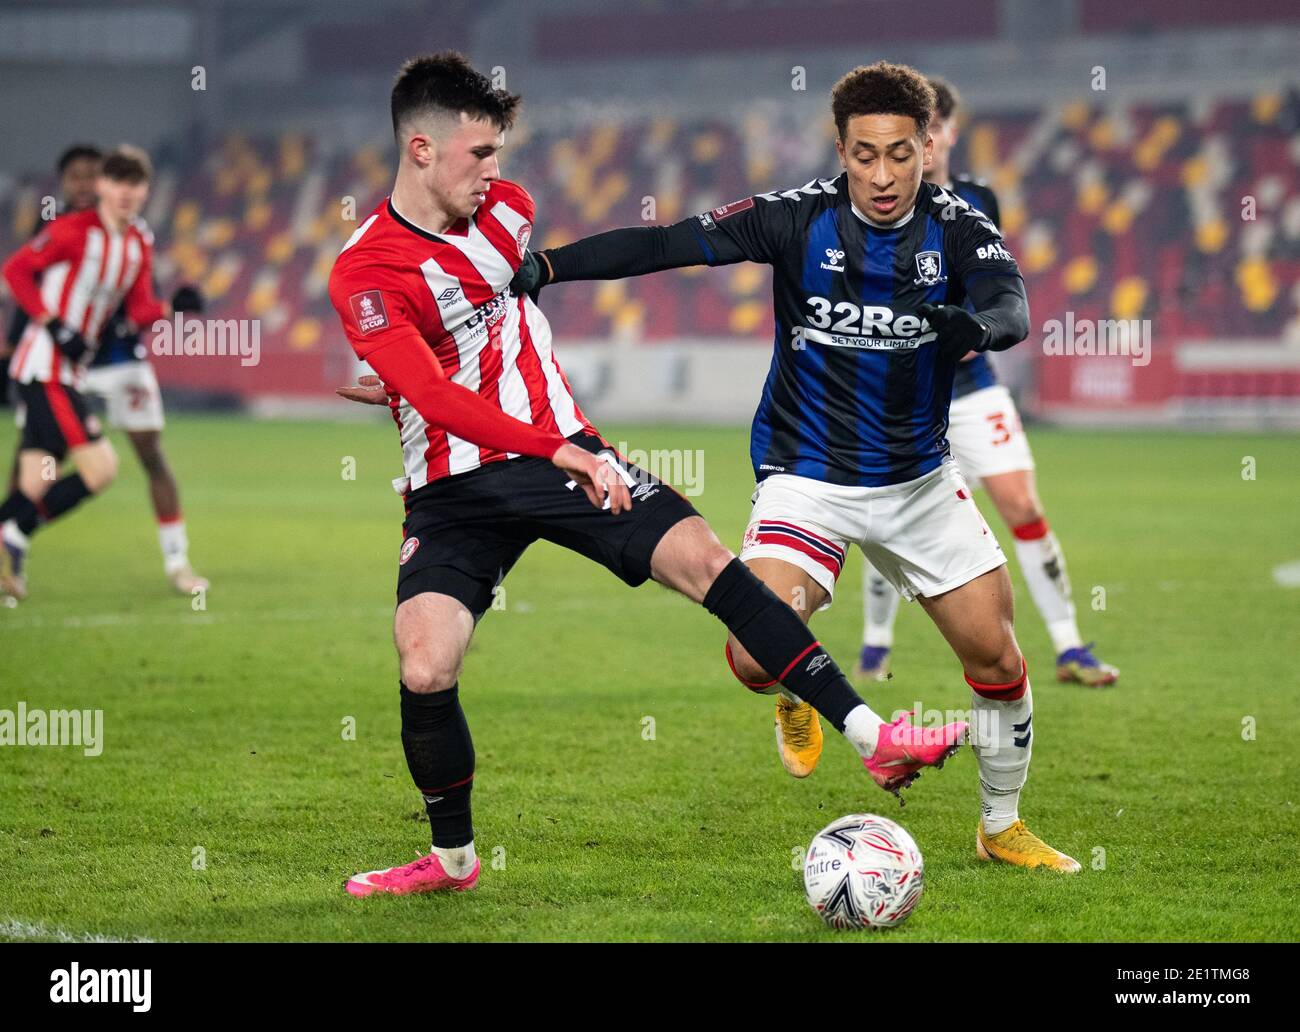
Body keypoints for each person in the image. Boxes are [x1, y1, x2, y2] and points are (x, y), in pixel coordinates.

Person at [328, 52, 967, 898]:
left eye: (499, 154)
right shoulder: (366, 270)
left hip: (565, 450)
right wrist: (415, 388)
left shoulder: (508, 214)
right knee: (425, 665)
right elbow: (437, 390)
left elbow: (491, 322)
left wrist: (544, 438)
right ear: (420, 149)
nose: (497, 173)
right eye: (479, 155)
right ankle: (452, 865)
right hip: (458, 486)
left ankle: (871, 734)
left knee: (709, 565)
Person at [514, 62, 1080, 872]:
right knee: (751, 654)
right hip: (807, 477)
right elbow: (666, 244)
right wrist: (549, 268)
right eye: (863, 155)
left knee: (996, 659)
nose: (882, 175)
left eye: (899, 153)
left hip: (918, 483)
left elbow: (1011, 305)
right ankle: (791, 687)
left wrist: (976, 327)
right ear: (840, 151)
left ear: (927, 147)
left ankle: (1000, 827)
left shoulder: (959, 226)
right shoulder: (794, 219)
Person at [854, 77, 1117, 688]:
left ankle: (1070, 646)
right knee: (886, 515)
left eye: (938, 128)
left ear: (947, 134)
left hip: (971, 386)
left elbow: (985, 280)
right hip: (901, 389)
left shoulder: (975, 201)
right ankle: (874, 646)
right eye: (920, 130)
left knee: (1022, 504)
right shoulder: (871, 202)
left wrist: (969, 326)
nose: (932, 139)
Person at [0, 146, 202, 601]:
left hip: (69, 371)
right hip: (43, 366)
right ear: (103, 187)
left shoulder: (137, 244)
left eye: (135, 184)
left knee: (35, 479)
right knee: (102, 468)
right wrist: (53, 325)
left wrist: (174, 307)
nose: (126, 192)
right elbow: (15, 271)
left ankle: (10, 538)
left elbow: (138, 310)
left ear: (145, 191)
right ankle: (14, 534)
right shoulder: (72, 230)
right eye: (118, 182)